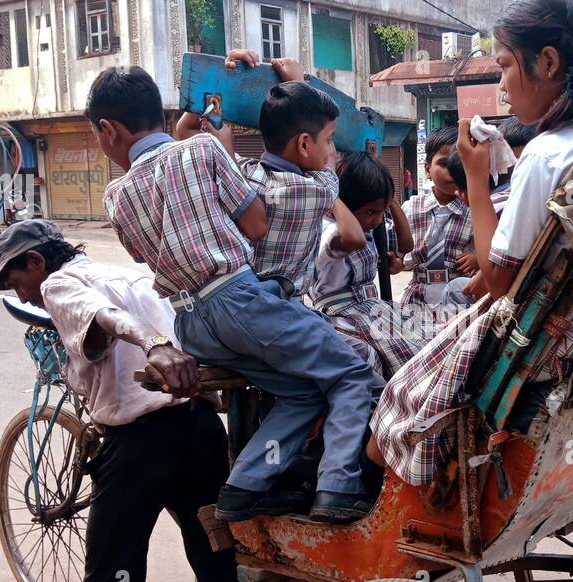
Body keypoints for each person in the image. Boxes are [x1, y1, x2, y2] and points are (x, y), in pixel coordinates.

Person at [90, 66, 379, 524]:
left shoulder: (115, 195)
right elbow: (256, 224)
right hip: (240, 300)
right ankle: (337, 488)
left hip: (190, 322)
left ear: (107, 130)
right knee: (352, 375)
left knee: (302, 395)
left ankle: (243, 485)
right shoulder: (203, 150)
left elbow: (143, 255)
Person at [369, 0, 573, 483]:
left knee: (398, 399)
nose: (502, 87)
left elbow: (497, 276)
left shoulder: (548, 155)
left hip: (549, 341)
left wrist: (475, 176)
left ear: (547, 63)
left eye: (506, 66)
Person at [0, 219, 270, 582]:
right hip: (200, 432)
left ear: (35, 261)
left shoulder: (58, 285)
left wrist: (154, 345)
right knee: (222, 577)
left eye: (16, 280)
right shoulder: (127, 274)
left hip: (141, 448)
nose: (20, 292)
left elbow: (105, 317)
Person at [176, 50, 363, 301]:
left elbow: (185, 129)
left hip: (238, 307)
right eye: (329, 139)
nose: (332, 147)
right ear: (305, 145)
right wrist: (297, 83)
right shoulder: (318, 189)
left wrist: (221, 81)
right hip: (290, 312)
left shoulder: (239, 173)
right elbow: (328, 162)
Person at [311, 152, 418, 380]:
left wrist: (392, 202)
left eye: (382, 212)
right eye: (371, 212)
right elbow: (353, 239)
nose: (378, 220)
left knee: (420, 339)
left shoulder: (368, 229)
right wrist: (332, 193)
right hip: (341, 315)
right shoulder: (329, 231)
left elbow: (406, 245)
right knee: (383, 354)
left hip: (370, 311)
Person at [399, 126, 477, 308]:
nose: (452, 171)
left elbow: (488, 249)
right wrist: (396, 261)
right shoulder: (411, 208)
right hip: (418, 293)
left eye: (461, 164)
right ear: (428, 169)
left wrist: (477, 258)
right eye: (444, 163)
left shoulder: (474, 210)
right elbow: (400, 253)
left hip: (459, 294)